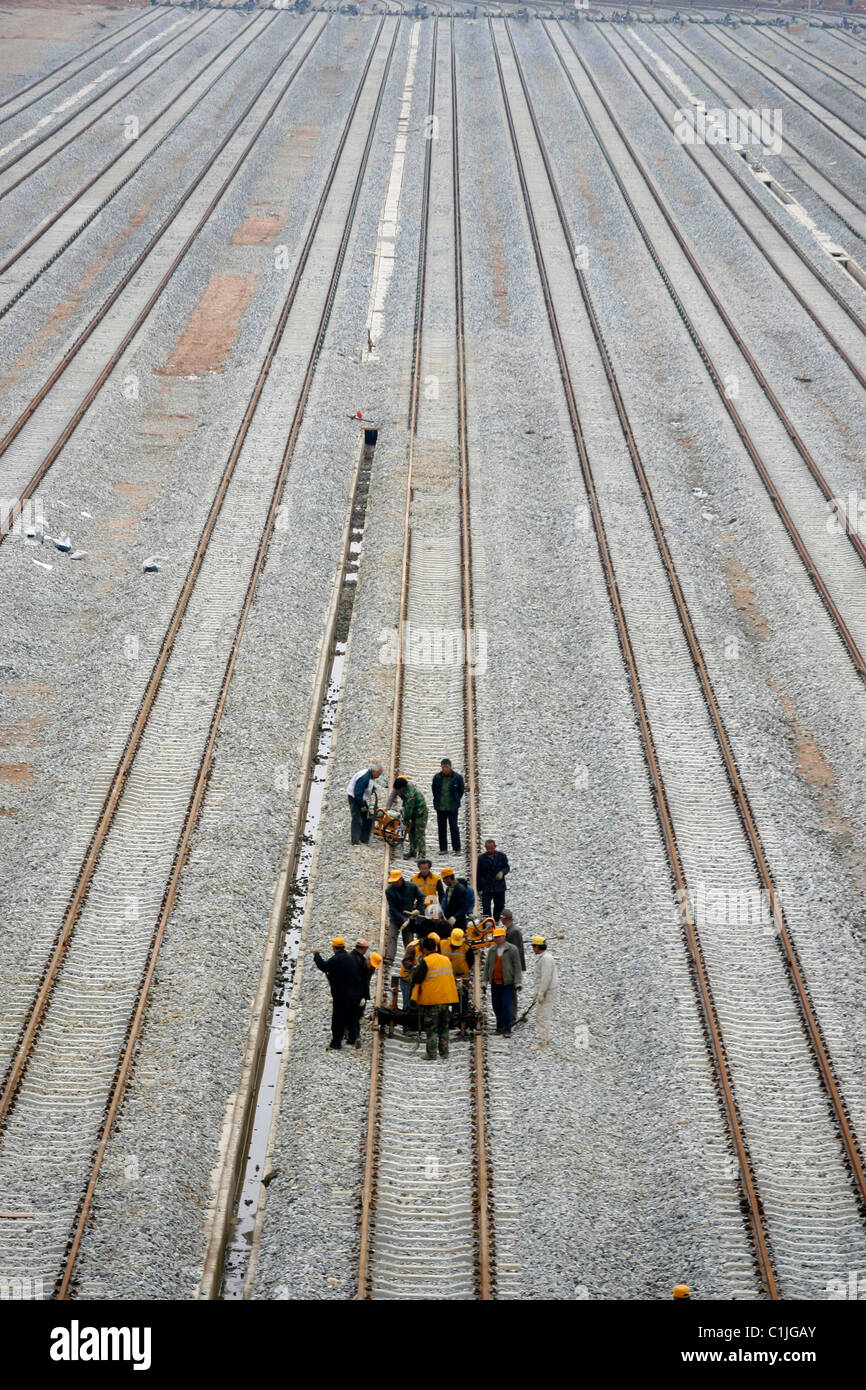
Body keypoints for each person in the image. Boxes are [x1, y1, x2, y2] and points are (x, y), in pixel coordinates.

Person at [313, 937, 365, 1051]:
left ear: (334, 948)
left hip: (342, 995)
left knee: (338, 1019)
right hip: (354, 994)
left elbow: (323, 966)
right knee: (351, 1016)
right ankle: (353, 1038)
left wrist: (316, 955)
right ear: (343, 946)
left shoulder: (337, 959)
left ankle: (335, 1043)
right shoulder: (349, 958)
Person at [411, 936, 458, 1060]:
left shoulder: (426, 961)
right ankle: (444, 1052)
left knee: (431, 1028)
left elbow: (417, 978)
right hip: (446, 999)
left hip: (432, 1000)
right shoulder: (446, 960)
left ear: (425, 949)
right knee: (444, 1027)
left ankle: (431, 1054)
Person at [483, 925, 522, 1037]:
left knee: (507, 1006)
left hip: (507, 983)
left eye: (499, 937)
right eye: (495, 937)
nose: (497, 939)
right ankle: (499, 1027)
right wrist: (484, 982)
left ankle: (507, 1028)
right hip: (495, 983)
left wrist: (518, 982)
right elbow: (487, 967)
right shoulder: (492, 950)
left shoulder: (512, 950)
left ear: (504, 937)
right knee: (497, 1006)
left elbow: (517, 967)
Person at [385, 869, 425, 958]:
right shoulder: (389, 890)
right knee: (392, 937)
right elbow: (392, 907)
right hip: (395, 918)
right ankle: (390, 957)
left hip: (409, 917)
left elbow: (421, 897)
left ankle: (409, 959)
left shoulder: (412, 887)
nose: (394, 883)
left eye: (396, 881)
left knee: (408, 940)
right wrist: (401, 918)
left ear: (400, 879)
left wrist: (418, 909)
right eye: (393, 881)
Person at [386, 776, 428, 860]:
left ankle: (422, 855)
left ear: (402, 787)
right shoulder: (404, 787)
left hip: (420, 813)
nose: (397, 792)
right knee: (411, 832)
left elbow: (408, 812)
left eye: (398, 790)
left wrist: (404, 823)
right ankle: (412, 852)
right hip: (413, 811)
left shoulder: (410, 794)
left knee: (419, 834)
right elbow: (396, 797)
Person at [431, 758, 465, 854]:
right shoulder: (437, 777)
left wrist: (456, 800)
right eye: (443, 767)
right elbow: (434, 790)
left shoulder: (457, 777)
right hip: (440, 807)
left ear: (450, 766)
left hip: (452, 807)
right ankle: (443, 849)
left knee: (454, 827)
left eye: (447, 767)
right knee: (441, 828)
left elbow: (461, 791)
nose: (445, 769)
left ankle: (457, 849)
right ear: (441, 767)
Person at [531, 935, 558, 1048]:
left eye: (534, 946)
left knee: (542, 1016)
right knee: (541, 1015)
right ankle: (543, 1039)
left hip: (547, 991)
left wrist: (541, 993)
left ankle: (543, 1041)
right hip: (545, 990)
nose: (533, 949)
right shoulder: (544, 957)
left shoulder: (546, 959)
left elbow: (546, 977)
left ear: (537, 947)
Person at [440, 926, 474, 1014]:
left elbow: (471, 961)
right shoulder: (442, 944)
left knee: (461, 998)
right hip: (445, 977)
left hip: (461, 977)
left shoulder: (466, 948)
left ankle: (460, 1015)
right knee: (444, 997)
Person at [346, 763, 382, 845]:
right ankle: (355, 841)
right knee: (357, 818)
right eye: (378, 774)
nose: (379, 776)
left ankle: (363, 838)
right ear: (374, 771)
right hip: (355, 798)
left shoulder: (370, 775)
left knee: (367, 817)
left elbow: (366, 786)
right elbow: (357, 793)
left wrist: (372, 789)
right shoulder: (365, 777)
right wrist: (362, 806)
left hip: (360, 798)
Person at [476, 839, 510, 921]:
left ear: (495, 847)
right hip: (487, 886)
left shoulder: (502, 856)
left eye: (491, 848)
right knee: (486, 906)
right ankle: (488, 921)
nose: (489, 850)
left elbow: (507, 867)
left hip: (499, 887)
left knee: (500, 905)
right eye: (488, 849)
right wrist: (479, 889)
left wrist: (502, 872)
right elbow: (478, 874)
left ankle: (496, 920)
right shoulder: (481, 858)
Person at [399, 939, 420, 1026]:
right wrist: (414, 967)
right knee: (407, 1004)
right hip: (407, 979)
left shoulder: (431, 949)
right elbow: (406, 962)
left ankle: (414, 1025)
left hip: (417, 979)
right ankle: (406, 1028)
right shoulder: (413, 947)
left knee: (416, 1004)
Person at [440, 866, 468, 932]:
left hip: (459, 923)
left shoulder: (461, 890)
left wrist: (455, 917)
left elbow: (464, 908)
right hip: (450, 921)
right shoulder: (448, 889)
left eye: (444, 879)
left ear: (449, 878)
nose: (443, 881)